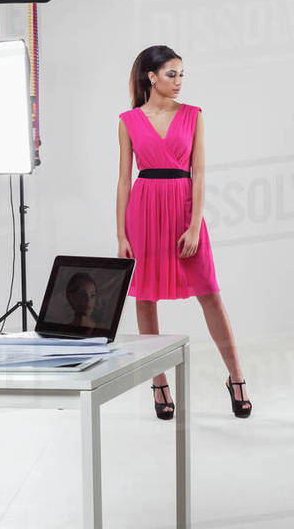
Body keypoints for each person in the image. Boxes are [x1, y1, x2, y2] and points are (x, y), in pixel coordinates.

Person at [116, 45, 251, 420]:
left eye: (181, 75)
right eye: (171, 74)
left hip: (182, 210)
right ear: (151, 77)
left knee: (209, 294)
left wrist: (194, 225)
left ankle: (236, 377)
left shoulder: (193, 115)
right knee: (145, 297)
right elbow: (124, 180)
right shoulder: (128, 120)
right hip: (143, 211)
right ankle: (158, 381)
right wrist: (121, 234)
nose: (178, 82)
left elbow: (199, 173)